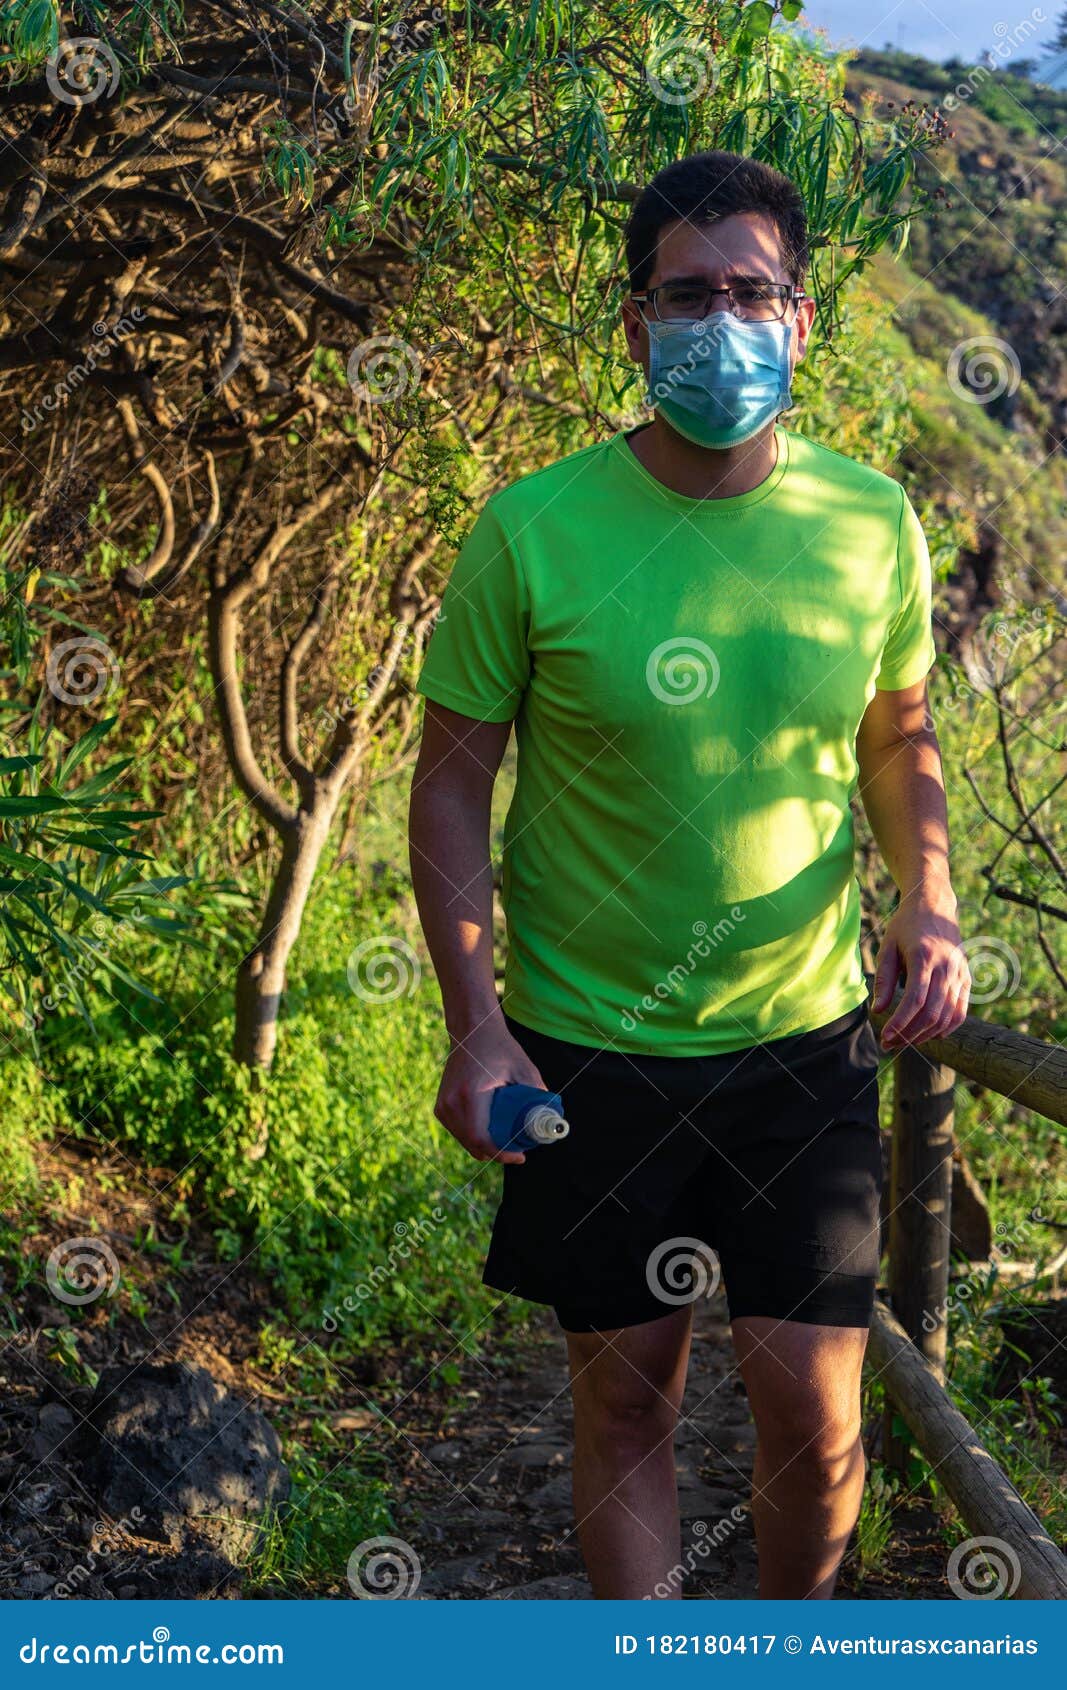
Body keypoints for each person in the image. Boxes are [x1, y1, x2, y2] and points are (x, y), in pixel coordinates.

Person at [408, 150, 970, 1600]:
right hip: (590, 1044)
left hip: (803, 1045)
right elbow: (452, 778)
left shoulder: (872, 522)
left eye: (752, 292)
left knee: (816, 1424)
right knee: (626, 1407)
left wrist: (929, 894)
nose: (722, 320)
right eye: (687, 294)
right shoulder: (532, 528)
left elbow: (898, 734)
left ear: (800, 318)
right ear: (635, 321)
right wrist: (477, 1025)